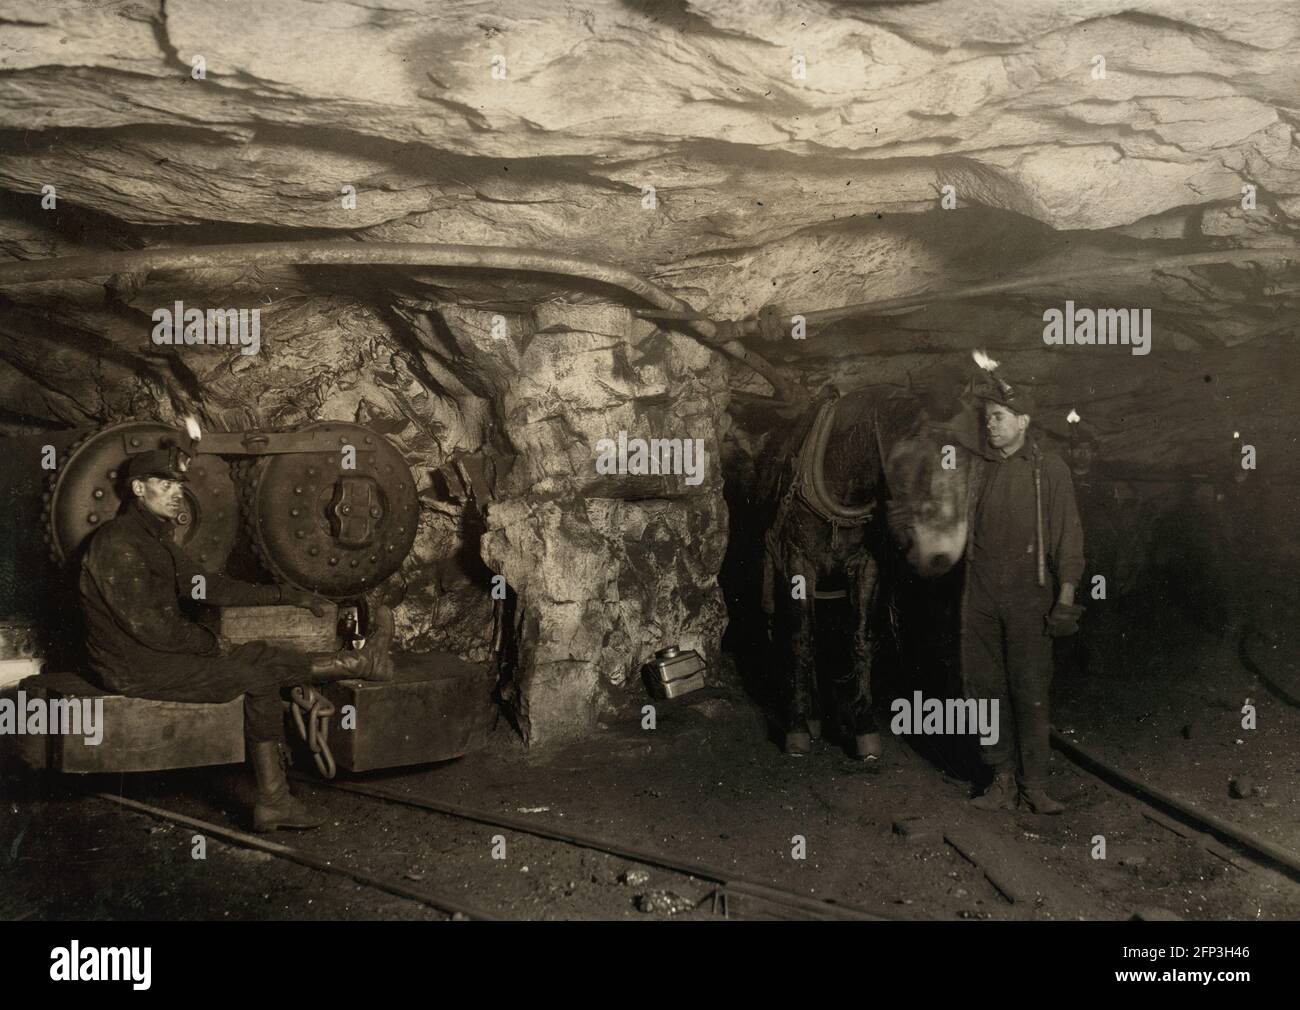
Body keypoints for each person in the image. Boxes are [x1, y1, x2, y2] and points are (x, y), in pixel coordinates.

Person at [78, 442, 392, 831]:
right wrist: (211, 645)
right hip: (132, 667)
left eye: (178, 483)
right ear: (138, 489)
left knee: (260, 654)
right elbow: (151, 628)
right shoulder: (118, 543)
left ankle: (361, 662)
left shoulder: (153, 539)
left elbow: (209, 588)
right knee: (256, 676)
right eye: (164, 483)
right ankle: (274, 801)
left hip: (152, 655)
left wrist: (286, 594)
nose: (176, 490)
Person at [964, 380, 1084, 814]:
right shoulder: (978, 469)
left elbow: (1068, 534)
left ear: (1023, 421)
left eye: (997, 417)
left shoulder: (1048, 469)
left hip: (1029, 595)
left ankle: (1034, 784)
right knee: (984, 688)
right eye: (986, 418)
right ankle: (999, 778)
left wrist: (1066, 593)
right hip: (980, 595)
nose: (989, 425)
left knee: (1030, 688)